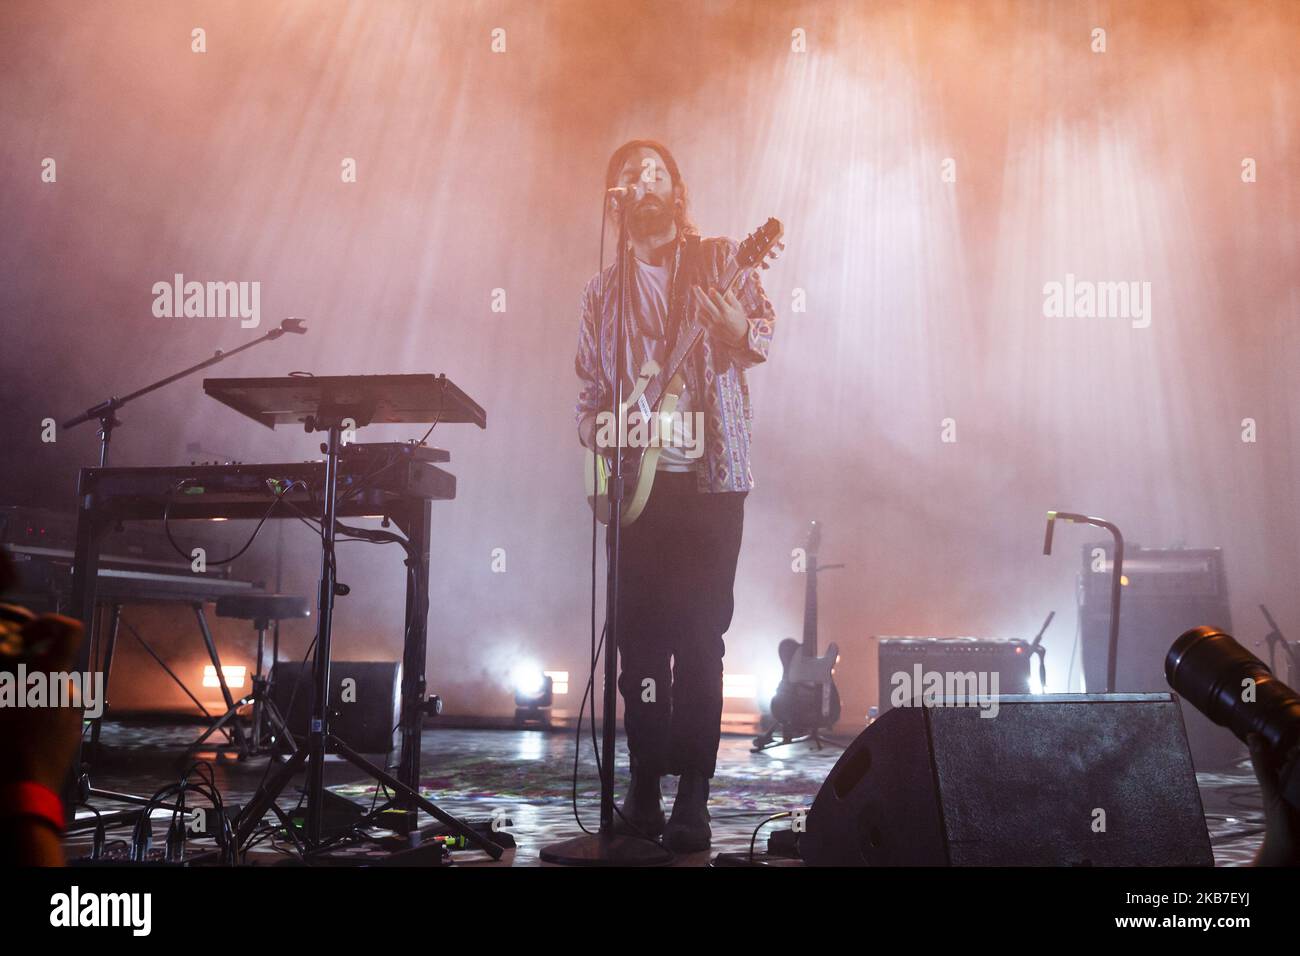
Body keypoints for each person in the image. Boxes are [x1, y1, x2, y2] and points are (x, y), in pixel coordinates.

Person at [574, 139, 775, 852]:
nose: (643, 181)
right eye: (630, 174)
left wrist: (734, 329)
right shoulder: (602, 293)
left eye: (656, 172)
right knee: (638, 643)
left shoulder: (721, 260)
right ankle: (643, 783)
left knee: (699, 640)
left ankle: (694, 791)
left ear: (677, 191)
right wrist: (604, 429)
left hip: (710, 484)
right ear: (617, 198)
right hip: (635, 490)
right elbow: (590, 397)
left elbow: (763, 334)